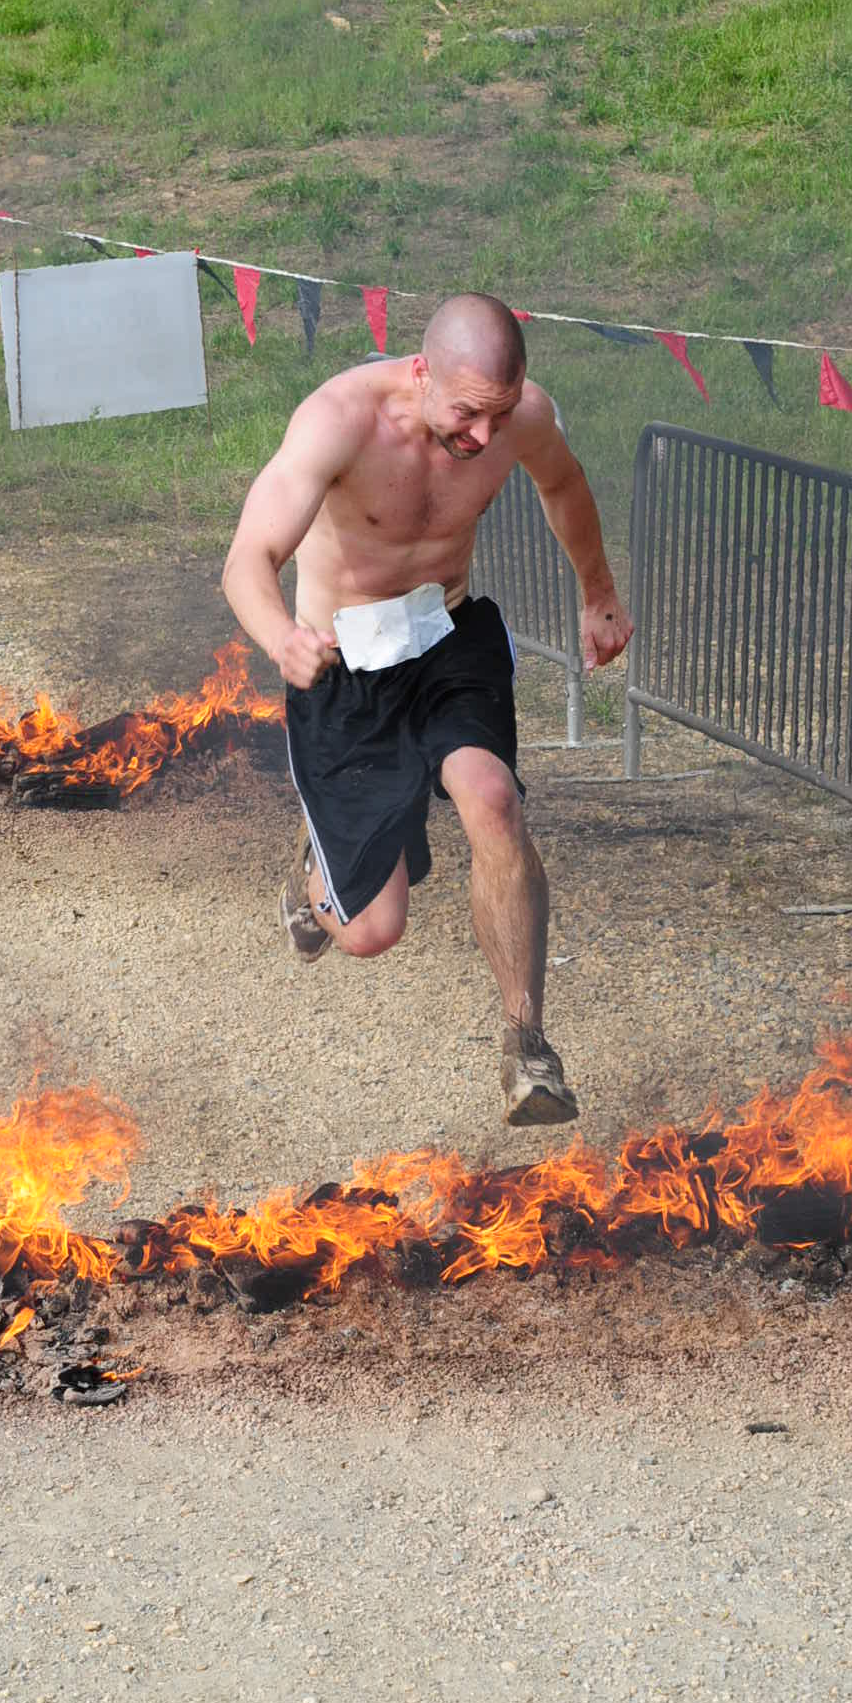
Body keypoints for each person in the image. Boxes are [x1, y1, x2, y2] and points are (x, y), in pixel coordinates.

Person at [223, 292, 632, 1126]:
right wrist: (280, 638)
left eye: (500, 414)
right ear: (421, 372)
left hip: (445, 639)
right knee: (374, 931)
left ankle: (528, 1048)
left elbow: (563, 484)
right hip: (344, 666)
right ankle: (316, 874)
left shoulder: (518, 417)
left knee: (493, 799)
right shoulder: (339, 419)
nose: (484, 438)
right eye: (468, 414)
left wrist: (598, 592)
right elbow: (248, 558)